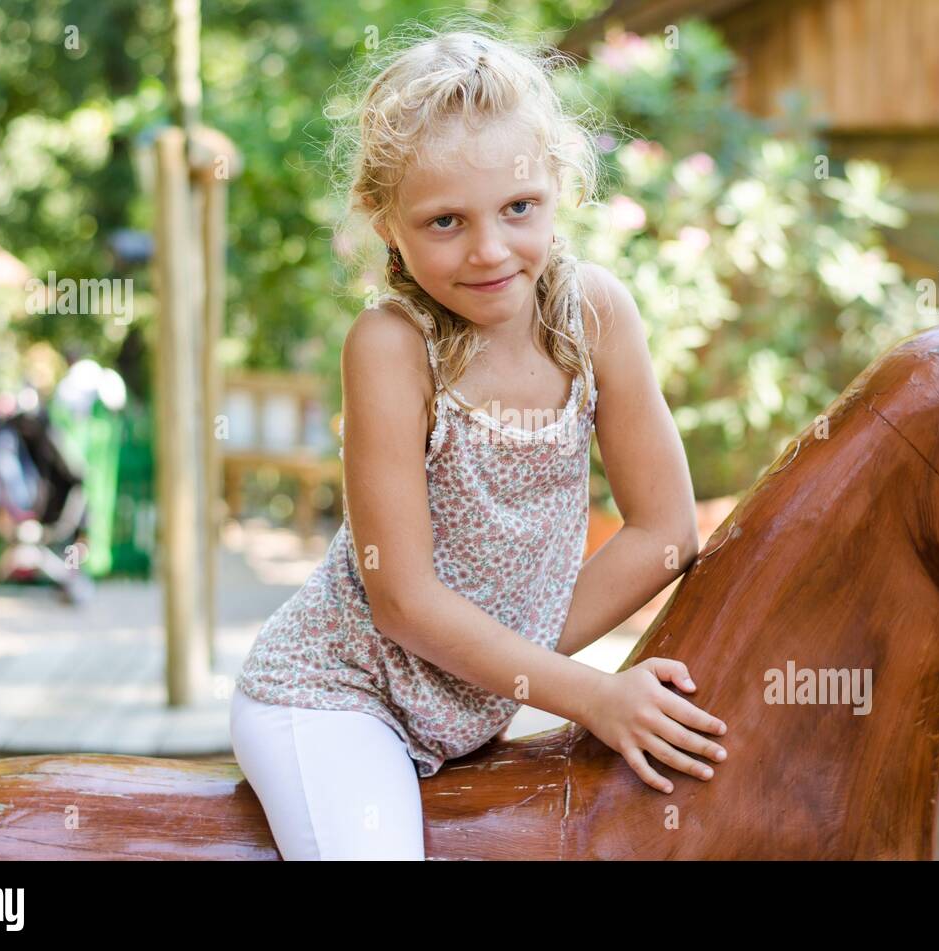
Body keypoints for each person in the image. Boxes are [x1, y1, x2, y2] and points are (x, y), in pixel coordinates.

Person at [230, 23, 728, 861]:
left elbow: (666, 532)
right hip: (340, 697)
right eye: (445, 221)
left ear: (558, 185)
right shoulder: (392, 348)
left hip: (470, 700)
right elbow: (403, 600)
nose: (490, 249)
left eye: (519, 208)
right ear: (385, 221)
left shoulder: (595, 315)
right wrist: (592, 696)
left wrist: (520, 667)